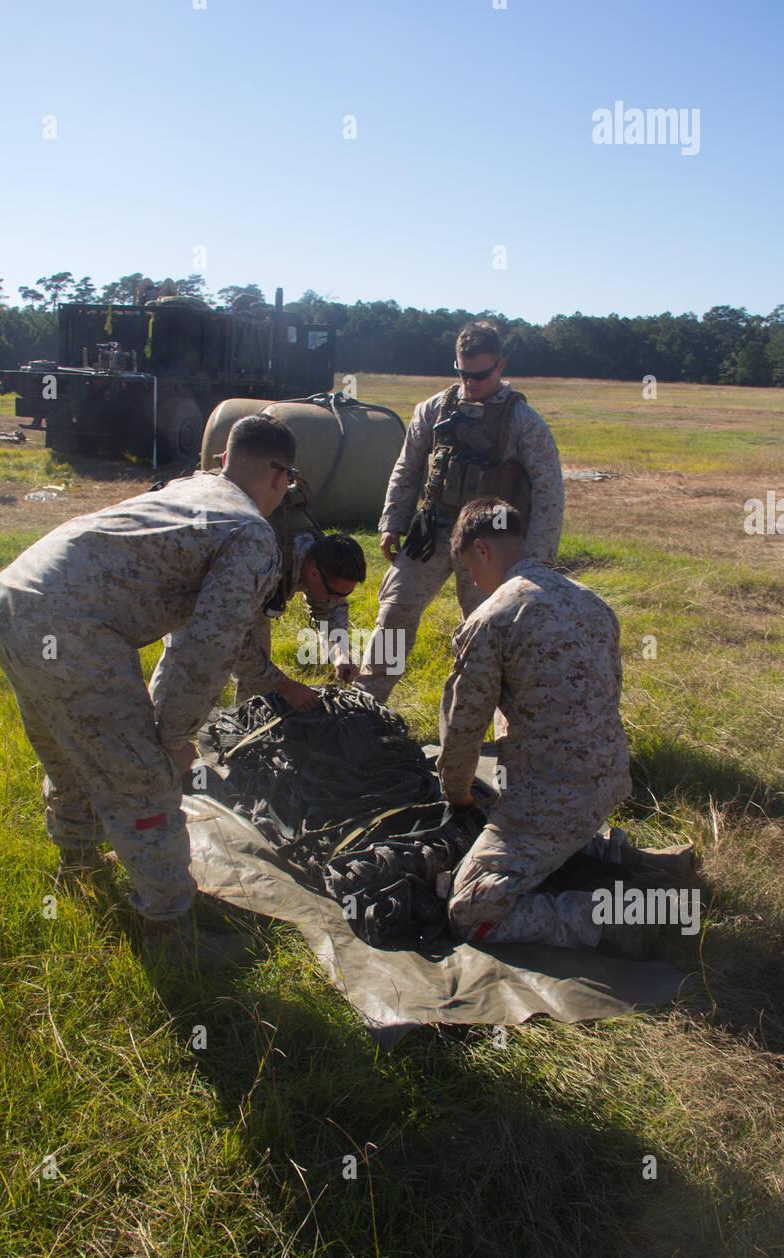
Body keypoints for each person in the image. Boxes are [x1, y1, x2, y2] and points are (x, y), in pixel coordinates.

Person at [0, 415, 297, 969]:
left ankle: (76, 867)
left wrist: (277, 682)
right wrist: (174, 738)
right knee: (143, 781)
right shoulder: (251, 531)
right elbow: (206, 648)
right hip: (73, 628)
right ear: (279, 475)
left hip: (12, 602)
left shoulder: (187, 492)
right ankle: (171, 934)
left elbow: (218, 628)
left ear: (223, 460)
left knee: (72, 753)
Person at [437, 498, 693, 958]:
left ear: (481, 548)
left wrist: (457, 793)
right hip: (608, 784)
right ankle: (625, 856)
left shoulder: (492, 619)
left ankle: (615, 917)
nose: (471, 580)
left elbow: (462, 730)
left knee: (469, 910)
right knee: (541, 814)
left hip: (552, 799)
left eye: (468, 568)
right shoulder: (591, 601)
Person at [354, 320, 564, 704]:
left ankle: (503, 721)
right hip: (432, 530)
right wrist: (392, 523)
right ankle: (365, 705)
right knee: (395, 613)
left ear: (501, 365)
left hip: (493, 542)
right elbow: (407, 468)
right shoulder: (432, 410)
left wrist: (537, 560)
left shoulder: (524, 423)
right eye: (463, 373)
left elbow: (550, 491)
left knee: (493, 627)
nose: (471, 383)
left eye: (480, 375)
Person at [150, 481, 367, 715]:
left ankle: (242, 725)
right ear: (313, 575)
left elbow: (331, 607)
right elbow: (229, 635)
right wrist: (286, 686)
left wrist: (340, 653)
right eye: (336, 594)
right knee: (185, 658)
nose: (336, 600)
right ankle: (155, 728)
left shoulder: (321, 555)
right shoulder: (260, 560)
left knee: (258, 665)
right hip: (203, 586)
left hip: (257, 594)